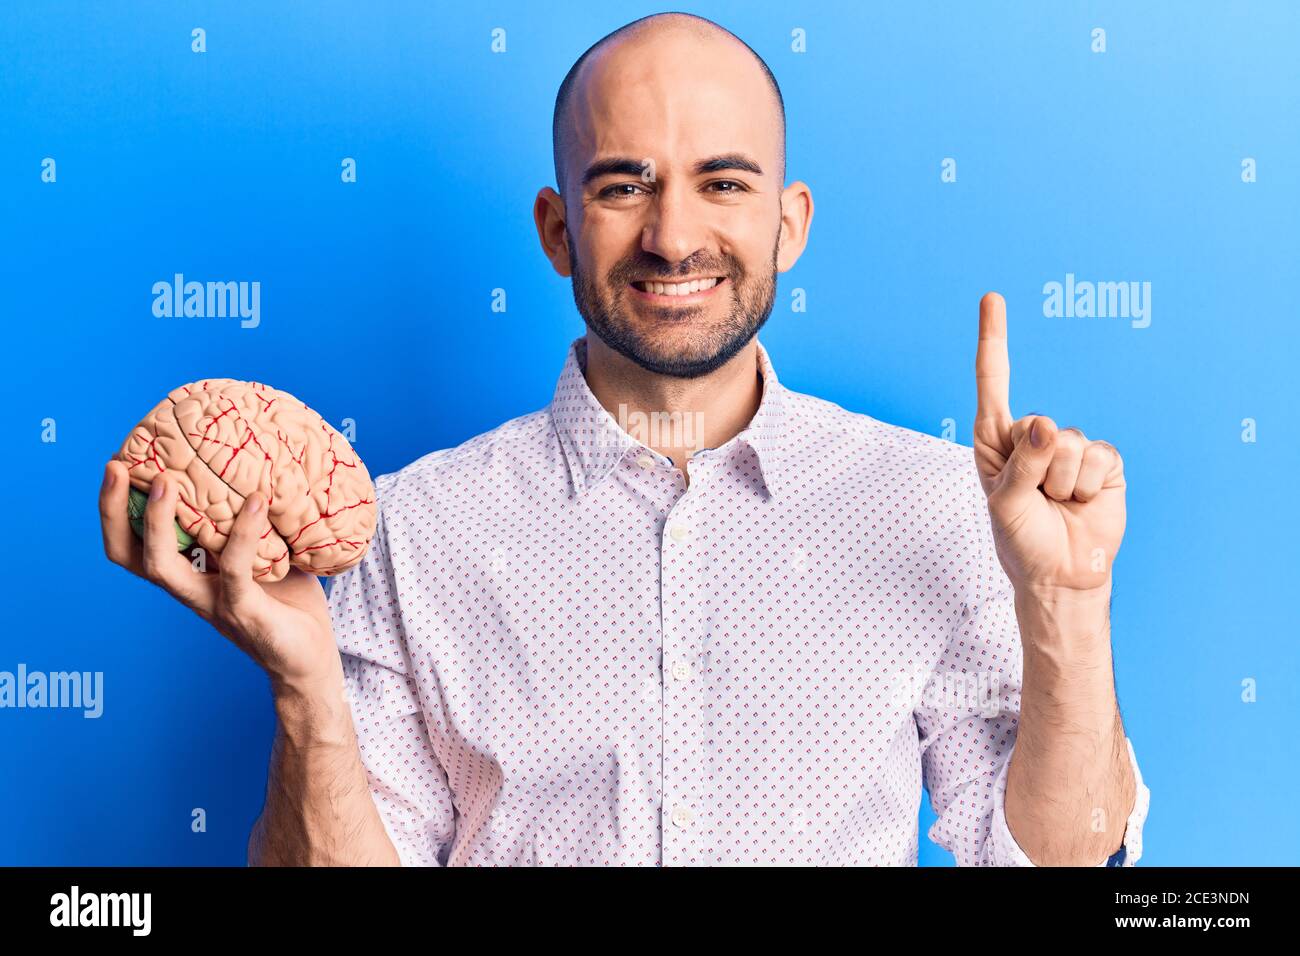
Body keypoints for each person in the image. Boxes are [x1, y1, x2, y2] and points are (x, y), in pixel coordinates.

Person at [100, 12, 1148, 866]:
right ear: (558, 229)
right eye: (623, 184)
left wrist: (1065, 605)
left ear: (790, 222)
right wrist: (304, 683)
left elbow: (1061, 865)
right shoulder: (409, 530)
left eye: (722, 182)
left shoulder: (931, 503)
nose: (673, 234)